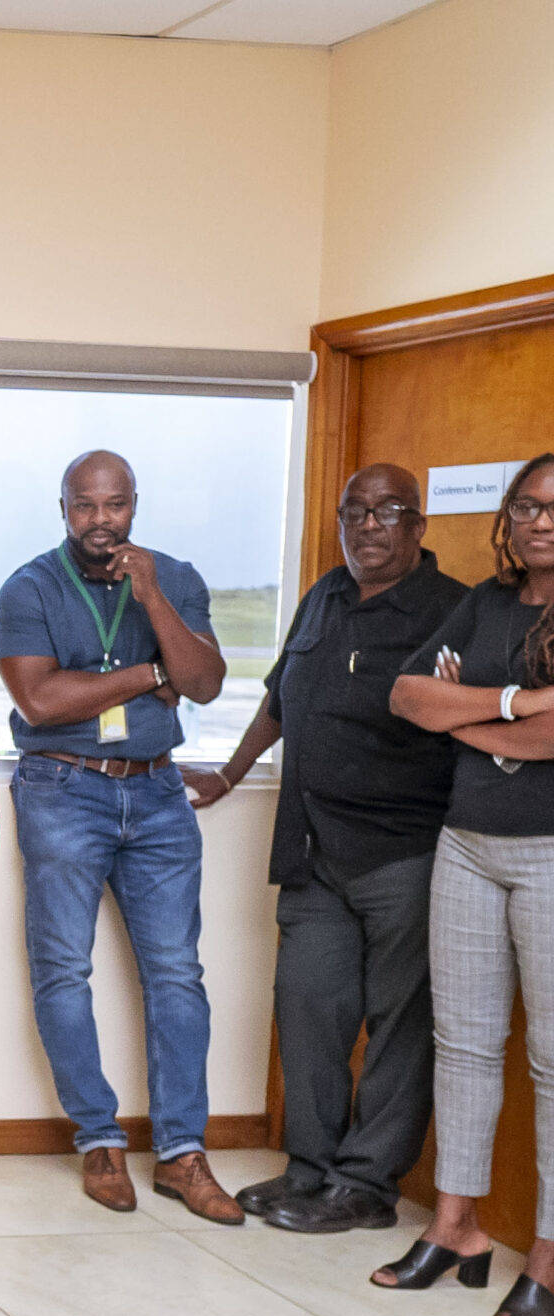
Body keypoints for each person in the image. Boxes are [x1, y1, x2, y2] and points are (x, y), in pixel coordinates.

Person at [189, 465, 463, 1232]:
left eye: (388, 512)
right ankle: (310, 1169)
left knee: (398, 1025)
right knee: (308, 1010)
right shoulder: (322, 596)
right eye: (355, 512)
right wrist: (228, 773)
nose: (368, 526)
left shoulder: (455, 611)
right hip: (312, 850)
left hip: (405, 852)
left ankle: (368, 1185)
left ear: (419, 525)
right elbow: (281, 700)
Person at [0, 450, 241, 1222]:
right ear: (62, 507)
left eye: (115, 505)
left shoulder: (175, 574)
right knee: (64, 969)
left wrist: (152, 599)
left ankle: (182, 1153)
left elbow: (203, 682)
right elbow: (40, 699)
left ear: (135, 503)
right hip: (62, 788)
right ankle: (98, 1138)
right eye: (84, 506)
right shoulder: (29, 587)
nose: (101, 521)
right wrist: (144, 675)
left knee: (177, 973)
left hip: (158, 792)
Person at [385, 452, 554, 1316]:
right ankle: (457, 1226)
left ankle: (550, 1257)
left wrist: (478, 718)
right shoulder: (485, 603)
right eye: (526, 506)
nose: (540, 521)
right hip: (467, 843)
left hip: (551, 854)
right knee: (465, 1047)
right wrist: (524, 705)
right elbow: (412, 697)